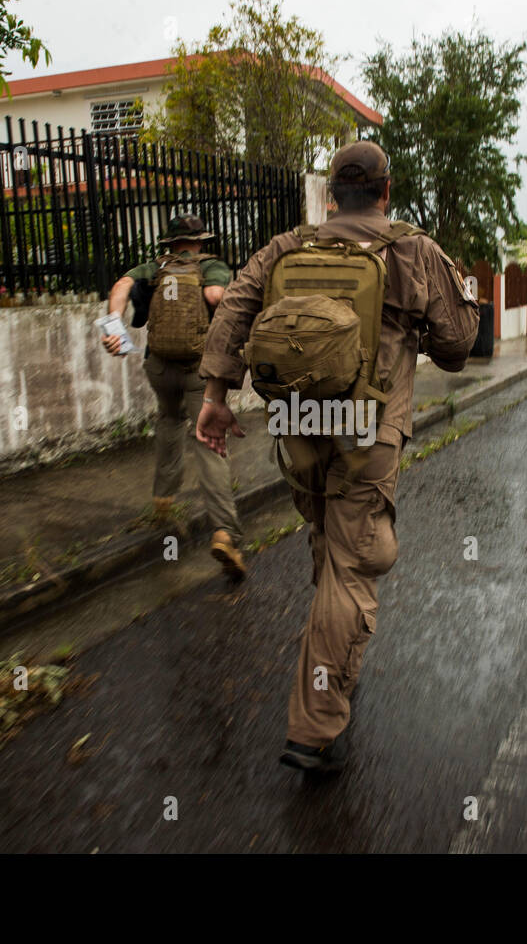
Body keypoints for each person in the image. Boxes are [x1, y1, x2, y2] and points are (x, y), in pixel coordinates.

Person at [194, 141, 479, 772]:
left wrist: (215, 396)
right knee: (356, 561)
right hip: (365, 428)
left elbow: (235, 307)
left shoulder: (286, 247)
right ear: (384, 191)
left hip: (297, 423)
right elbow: (459, 347)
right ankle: (314, 727)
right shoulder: (414, 248)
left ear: (331, 197)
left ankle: (335, 655)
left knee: (330, 536)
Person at [101, 213, 247, 581]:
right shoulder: (211, 266)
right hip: (199, 369)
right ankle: (225, 533)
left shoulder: (154, 268)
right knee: (208, 439)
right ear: (199, 242)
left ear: (170, 243)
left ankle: (163, 500)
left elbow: (120, 285)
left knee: (168, 419)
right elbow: (216, 296)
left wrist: (113, 329)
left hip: (159, 367)